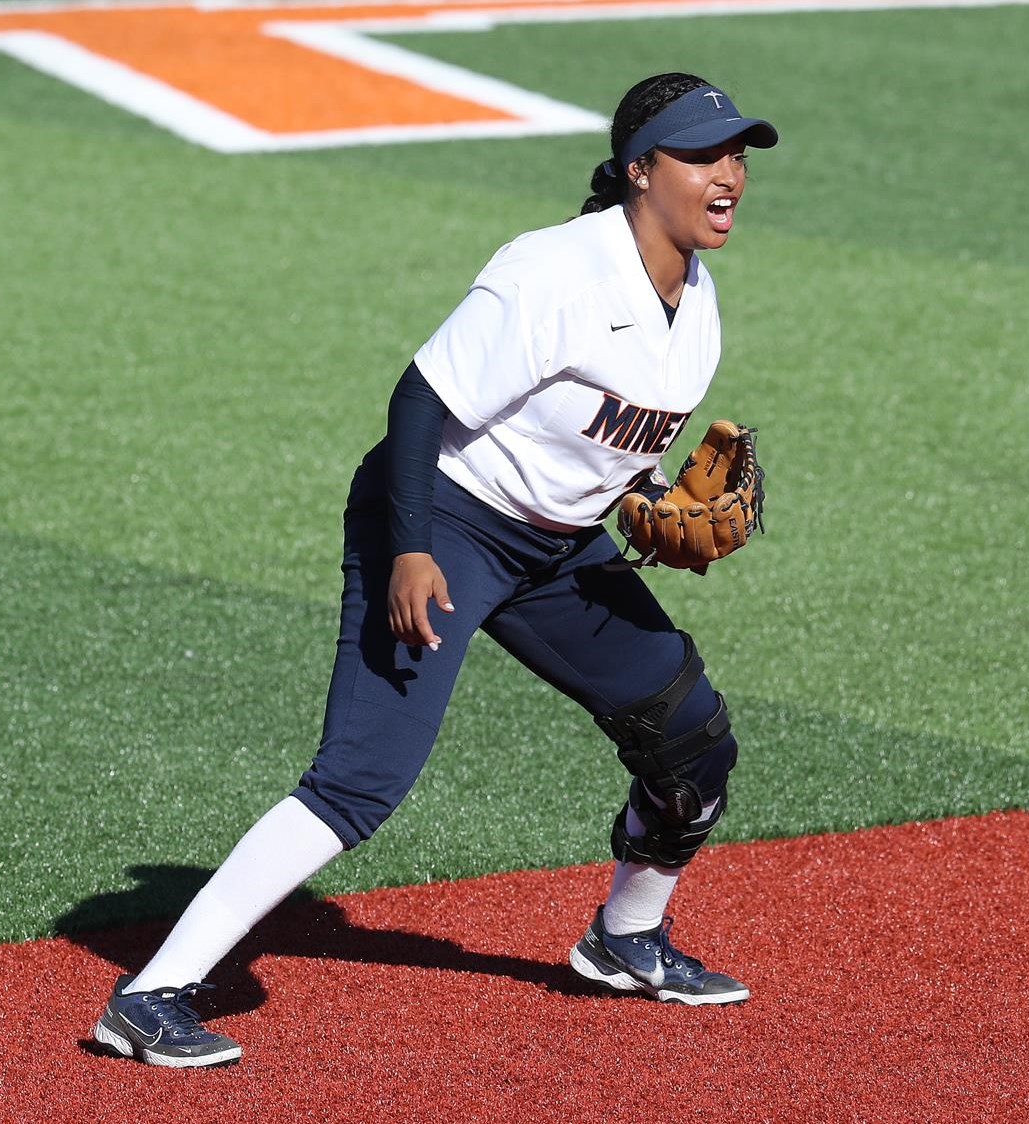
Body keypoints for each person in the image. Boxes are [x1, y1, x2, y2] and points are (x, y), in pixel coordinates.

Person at [92, 72, 778, 1068]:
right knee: (362, 778)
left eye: (736, 155)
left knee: (688, 739)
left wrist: (651, 494)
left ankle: (624, 938)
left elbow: (611, 442)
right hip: (440, 519)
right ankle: (149, 992)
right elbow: (418, 401)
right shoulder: (552, 271)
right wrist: (408, 549)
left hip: (554, 548)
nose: (727, 175)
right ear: (638, 170)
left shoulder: (697, 298)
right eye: (701, 154)